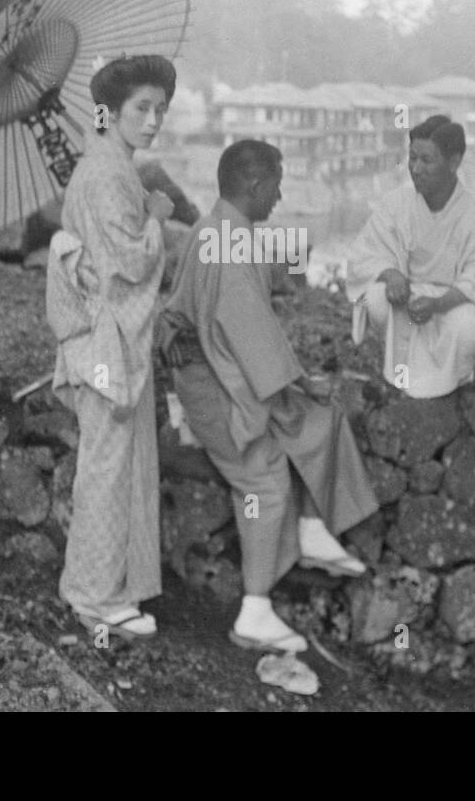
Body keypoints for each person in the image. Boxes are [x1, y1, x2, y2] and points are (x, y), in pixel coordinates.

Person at [158, 140, 379, 654]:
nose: (280, 197)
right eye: (277, 186)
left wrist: (293, 384)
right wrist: (293, 383)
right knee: (266, 477)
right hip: (215, 385)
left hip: (220, 373)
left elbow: (234, 326)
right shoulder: (228, 240)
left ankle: (310, 528)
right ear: (255, 185)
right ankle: (254, 610)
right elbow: (249, 335)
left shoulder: (216, 230)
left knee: (315, 419)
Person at [45, 54, 177, 640]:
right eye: (142, 109)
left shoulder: (108, 166)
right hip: (106, 339)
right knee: (104, 469)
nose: (153, 120)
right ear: (109, 113)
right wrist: (156, 219)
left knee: (112, 466)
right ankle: (95, 598)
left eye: (160, 109)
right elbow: (129, 263)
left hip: (106, 337)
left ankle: (106, 589)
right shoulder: (106, 174)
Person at [347, 114, 475, 399]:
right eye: (412, 158)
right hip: (409, 296)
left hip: (456, 304)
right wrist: (392, 275)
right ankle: (402, 372)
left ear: (453, 163)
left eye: (427, 161)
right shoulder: (397, 204)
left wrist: (440, 303)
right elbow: (366, 254)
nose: (416, 169)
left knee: (469, 329)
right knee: (376, 298)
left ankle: (457, 378)